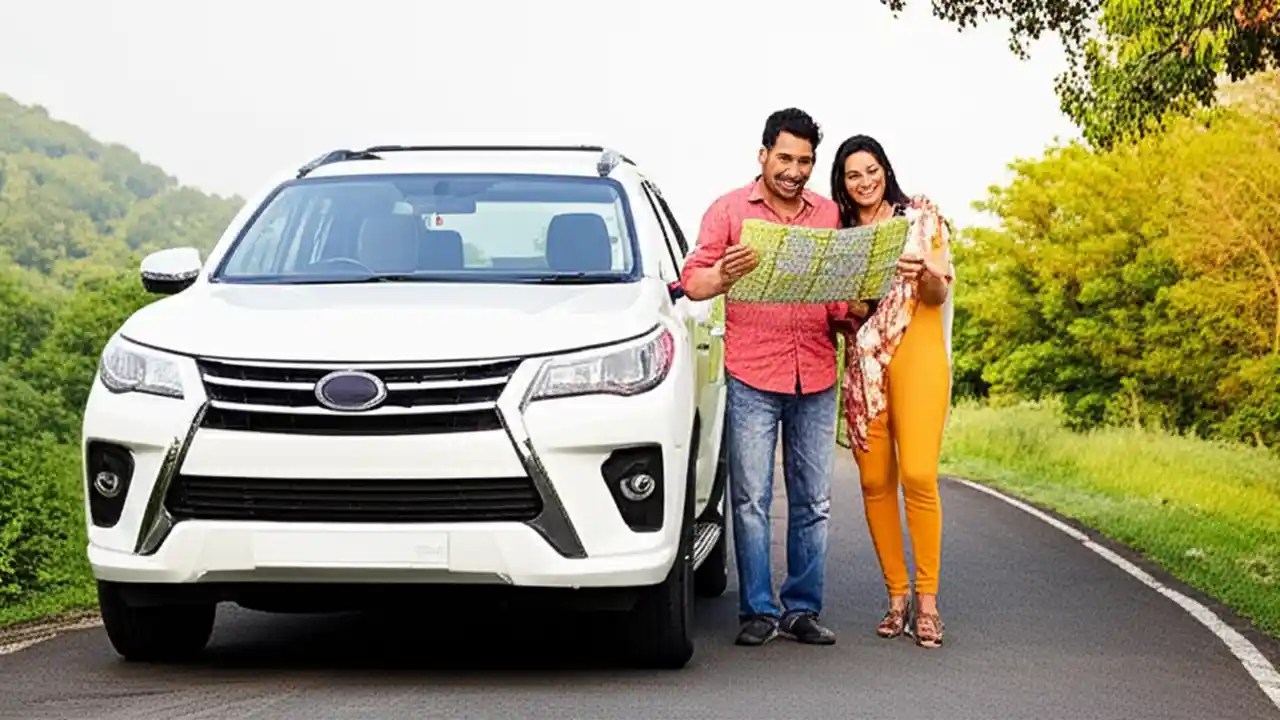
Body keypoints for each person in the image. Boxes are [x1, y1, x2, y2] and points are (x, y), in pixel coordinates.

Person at [681, 108, 847, 647]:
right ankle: (757, 610)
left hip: (816, 371)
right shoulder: (728, 210)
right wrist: (722, 274)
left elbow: (840, 299)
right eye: (785, 158)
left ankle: (802, 609)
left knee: (813, 501)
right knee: (751, 499)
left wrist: (856, 304)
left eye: (805, 161)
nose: (795, 171)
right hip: (752, 374)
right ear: (763, 155)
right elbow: (692, 282)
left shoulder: (828, 215)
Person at [829, 134, 954, 649]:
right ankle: (897, 598)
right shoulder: (840, 237)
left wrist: (922, 272)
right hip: (866, 365)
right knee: (874, 481)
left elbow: (938, 292)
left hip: (918, 351)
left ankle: (928, 602)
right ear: (842, 184)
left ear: (886, 170)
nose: (865, 181)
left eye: (872, 170)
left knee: (919, 474)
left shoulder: (920, 219)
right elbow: (842, 317)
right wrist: (854, 305)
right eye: (853, 175)